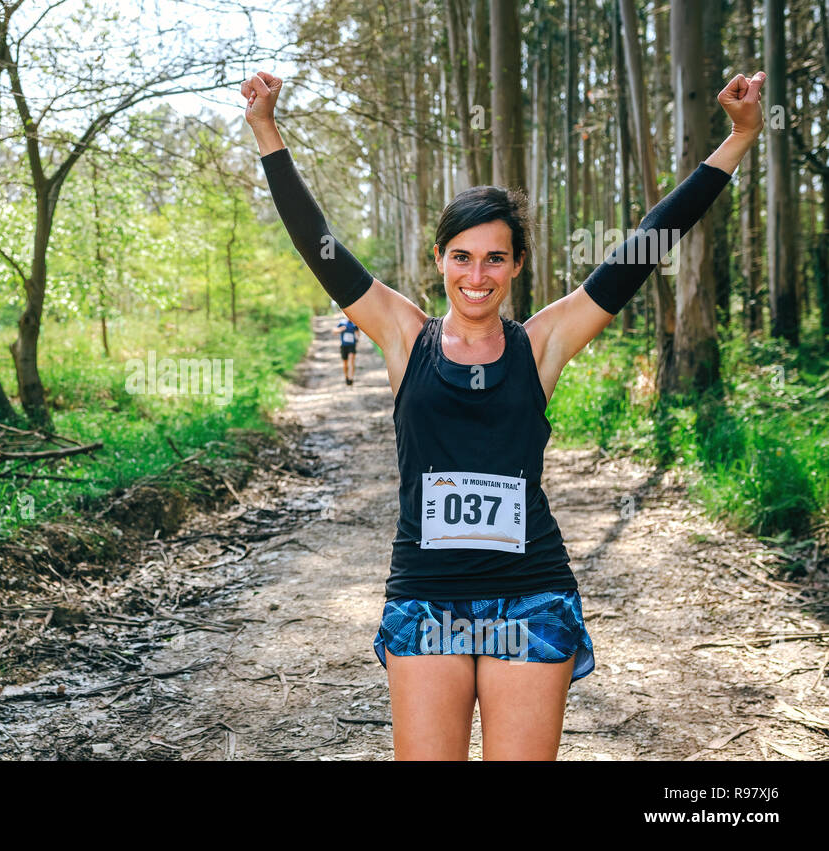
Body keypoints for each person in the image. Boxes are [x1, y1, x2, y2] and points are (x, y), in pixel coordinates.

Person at [242, 67, 766, 760]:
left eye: (495, 258)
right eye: (461, 257)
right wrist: (266, 130)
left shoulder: (541, 343)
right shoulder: (404, 336)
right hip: (426, 598)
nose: (477, 275)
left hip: (530, 592)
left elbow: (642, 247)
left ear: (517, 265)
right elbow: (322, 246)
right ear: (439, 259)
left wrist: (738, 140)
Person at [334, 317, 360, 384]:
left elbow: (358, 334)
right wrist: (341, 329)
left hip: (352, 346)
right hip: (344, 346)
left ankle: (351, 378)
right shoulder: (342, 323)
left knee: (351, 361)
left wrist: (357, 338)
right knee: (345, 364)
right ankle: (346, 377)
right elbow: (334, 331)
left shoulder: (355, 324)